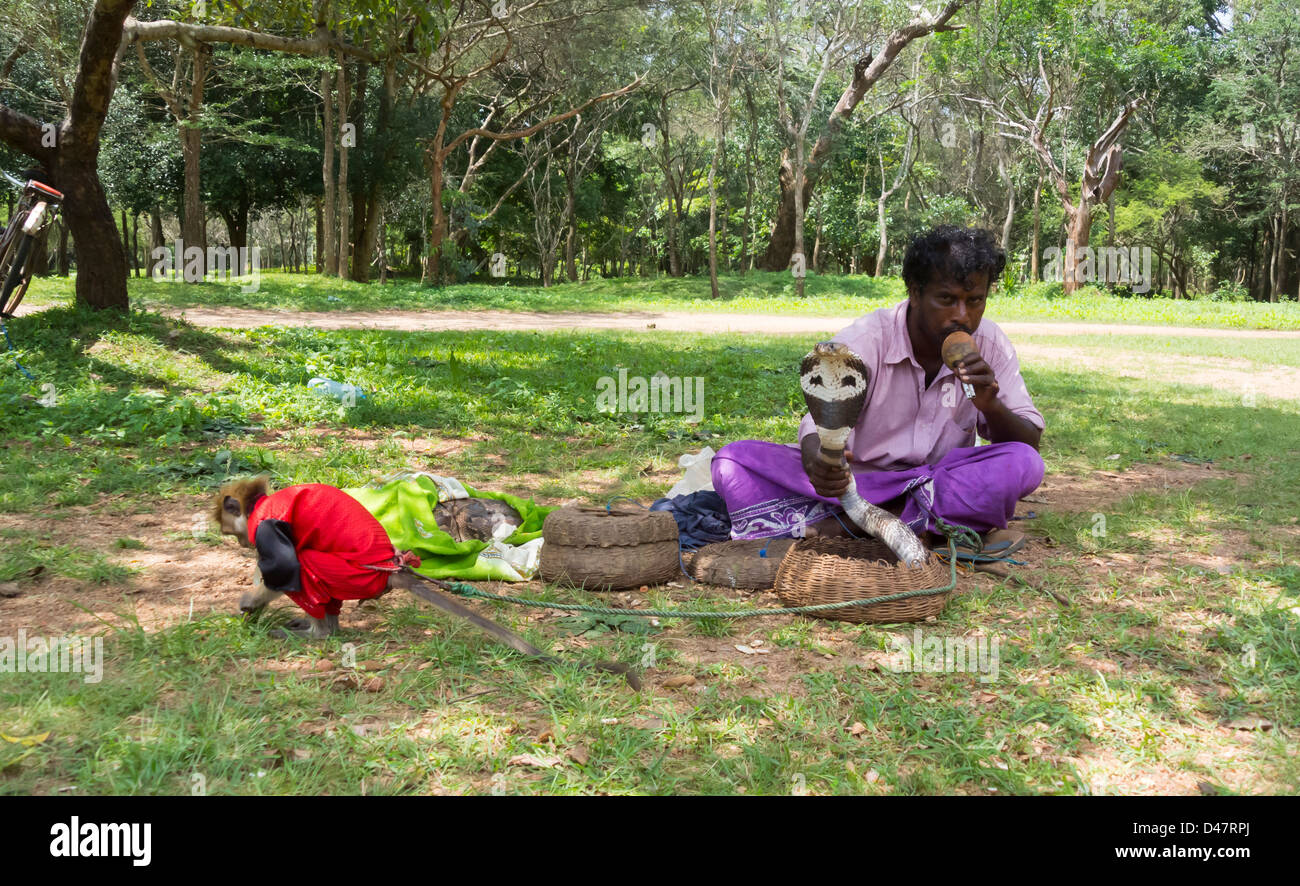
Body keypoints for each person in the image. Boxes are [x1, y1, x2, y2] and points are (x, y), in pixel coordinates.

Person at [711, 225, 1045, 548]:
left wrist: (991, 405)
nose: (963, 316)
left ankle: (848, 526)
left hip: (936, 482)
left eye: (975, 300)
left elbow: (1029, 443)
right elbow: (818, 426)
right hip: (859, 484)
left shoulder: (990, 344)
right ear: (915, 292)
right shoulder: (865, 341)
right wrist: (819, 461)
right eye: (947, 299)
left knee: (1023, 464)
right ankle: (924, 525)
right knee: (732, 462)